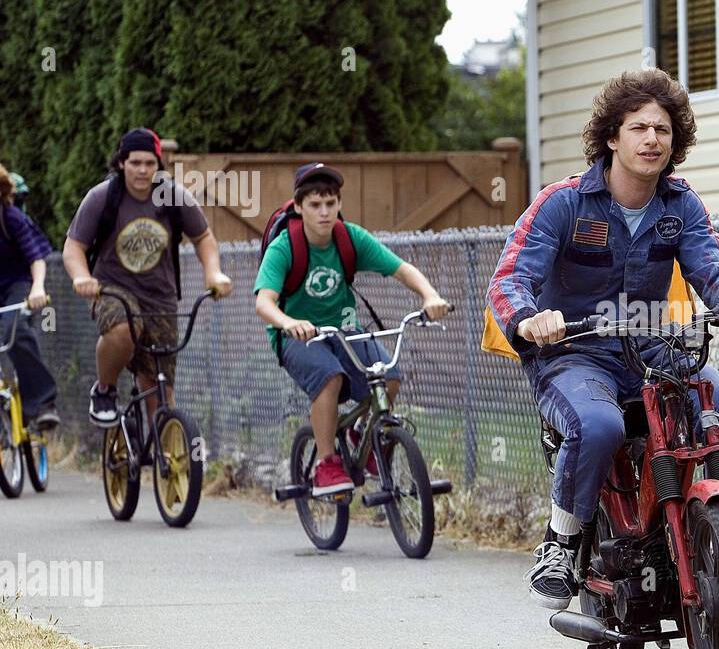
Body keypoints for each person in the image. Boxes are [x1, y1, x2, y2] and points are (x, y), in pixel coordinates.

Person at [487, 68, 719, 609]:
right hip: (575, 353)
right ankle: (559, 545)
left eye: (663, 130)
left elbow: (711, 263)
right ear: (612, 137)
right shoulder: (563, 203)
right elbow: (509, 278)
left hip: (652, 347)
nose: (652, 139)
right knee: (599, 425)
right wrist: (530, 319)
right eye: (639, 128)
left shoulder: (680, 203)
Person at [253, 162, 450, 497]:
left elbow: (402, 269)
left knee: (389, 375)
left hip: (345, 330)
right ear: (299, 207)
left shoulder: (349, 238)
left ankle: (363, 434)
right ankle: (326, 462)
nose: (324, 212)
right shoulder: (285, 246)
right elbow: (264, 302)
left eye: (330, 203)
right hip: (297, 337)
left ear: (339, 204)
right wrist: (289, 322)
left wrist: (430, 295)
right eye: (315, 205)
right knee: (329, 377)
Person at [63, 127, 233, 426]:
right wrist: (81, 277)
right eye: (135, 163)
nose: (142, 170)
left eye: (149, 163)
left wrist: (214, 272)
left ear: (158, 164)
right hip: (112, 290)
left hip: (159, 297)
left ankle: (164, 449)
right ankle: (104, 389)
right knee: (122, 330)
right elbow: (74, 246)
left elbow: (204, 237)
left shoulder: (173, 196)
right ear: (121, 163)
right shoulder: (102, 197)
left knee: (159, 390)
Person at [0, 164, 59, 430]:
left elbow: (36, 257)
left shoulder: (10, 217)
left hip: (17, 285)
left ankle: (43, 401)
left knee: (14, 331)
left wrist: (37, 288)